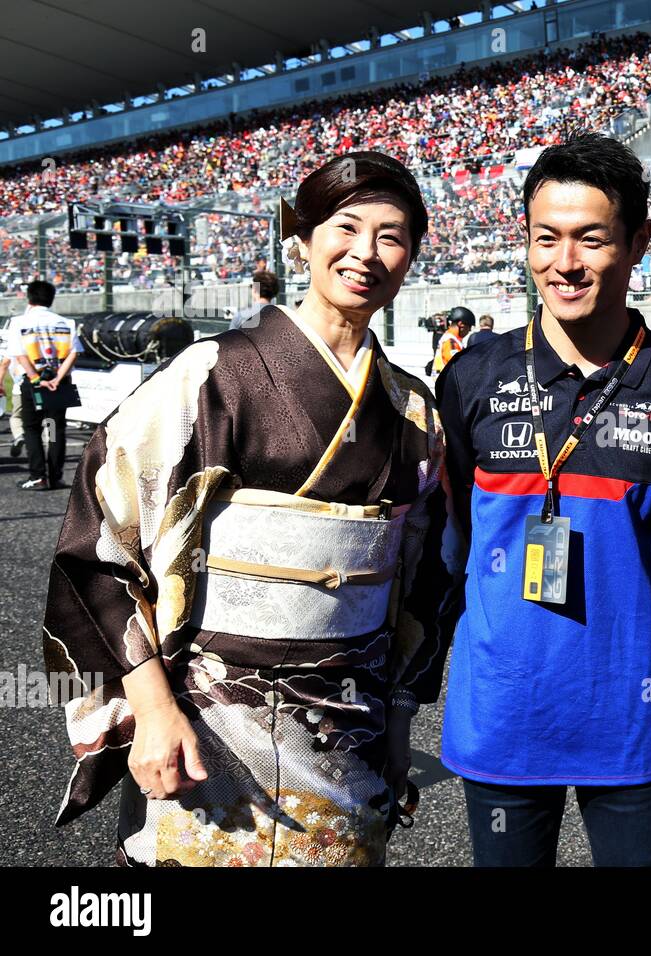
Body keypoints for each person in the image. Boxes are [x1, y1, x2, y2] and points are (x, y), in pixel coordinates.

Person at [41, 151, 453, 867]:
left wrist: (395, 728)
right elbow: (100, 543)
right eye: (345, 227)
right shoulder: (214, 374)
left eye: (392, 235)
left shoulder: (413, 409)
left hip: (343, 730)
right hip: (208, 722)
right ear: (302, 239)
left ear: (413, 253)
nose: (366, 252)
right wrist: (155, 711)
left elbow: (417, 586)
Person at [434, 134, 651, 867]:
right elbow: (455, 534)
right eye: (547, 238)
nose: (566, 262)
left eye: (591, 239)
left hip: (628, 711)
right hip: (502, 708)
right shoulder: (471, 377)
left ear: (637, 244)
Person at [7, 280, 79, 490]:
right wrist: (57, 378)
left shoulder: (19, 322)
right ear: (51, 299)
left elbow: (19, 354)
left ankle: (38, 475)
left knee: (32, 428)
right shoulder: (67, 323)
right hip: (60, 382)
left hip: (33, 381)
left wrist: (36, 378)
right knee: (55, 429)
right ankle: (55, 476)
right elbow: (74, 353)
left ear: (29, 298)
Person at [434, 306, 474, 373]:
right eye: (469, 326)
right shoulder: (450, 341)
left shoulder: (451, 338)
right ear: (461, 324)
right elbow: (457, 365)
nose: (469, 330)